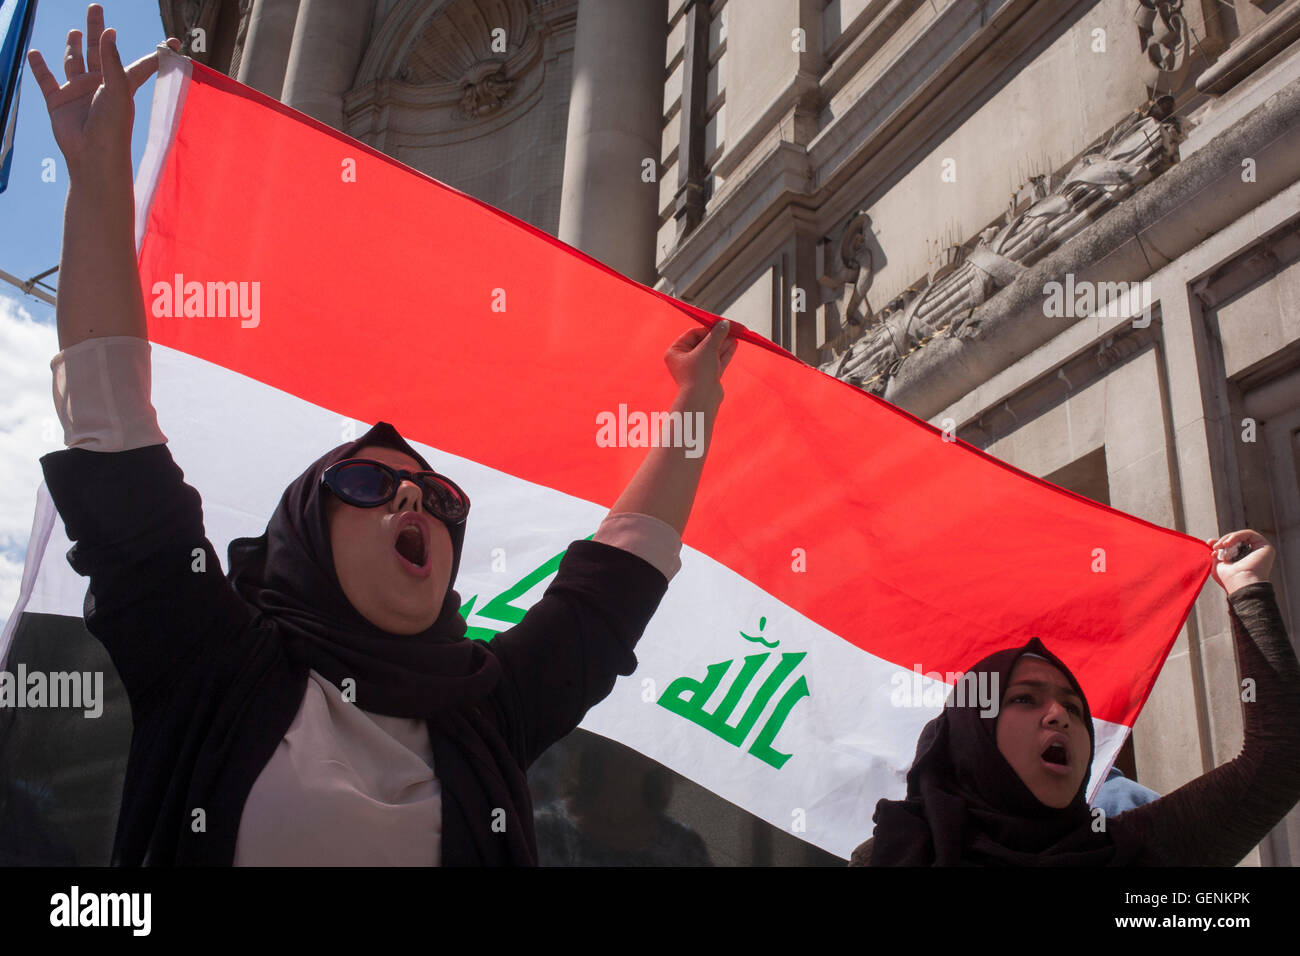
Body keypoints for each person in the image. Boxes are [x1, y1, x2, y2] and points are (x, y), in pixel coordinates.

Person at [28, 6, 736, 865]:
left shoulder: (487, 708)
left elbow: (618, 577)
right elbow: (113, 434)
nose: (412, 495)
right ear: (303, 538)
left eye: (438, 498)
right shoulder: (211, 664)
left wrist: (694, 404)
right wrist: (100, 174)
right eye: (365, 483)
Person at [851, 529, 1300, 866]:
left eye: (1073, 708)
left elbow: (1279, 763)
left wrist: (1247, 587)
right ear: (972, 732)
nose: (1059, 717)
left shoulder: (1137, 850)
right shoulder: (893, 855)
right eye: (1025, 699)